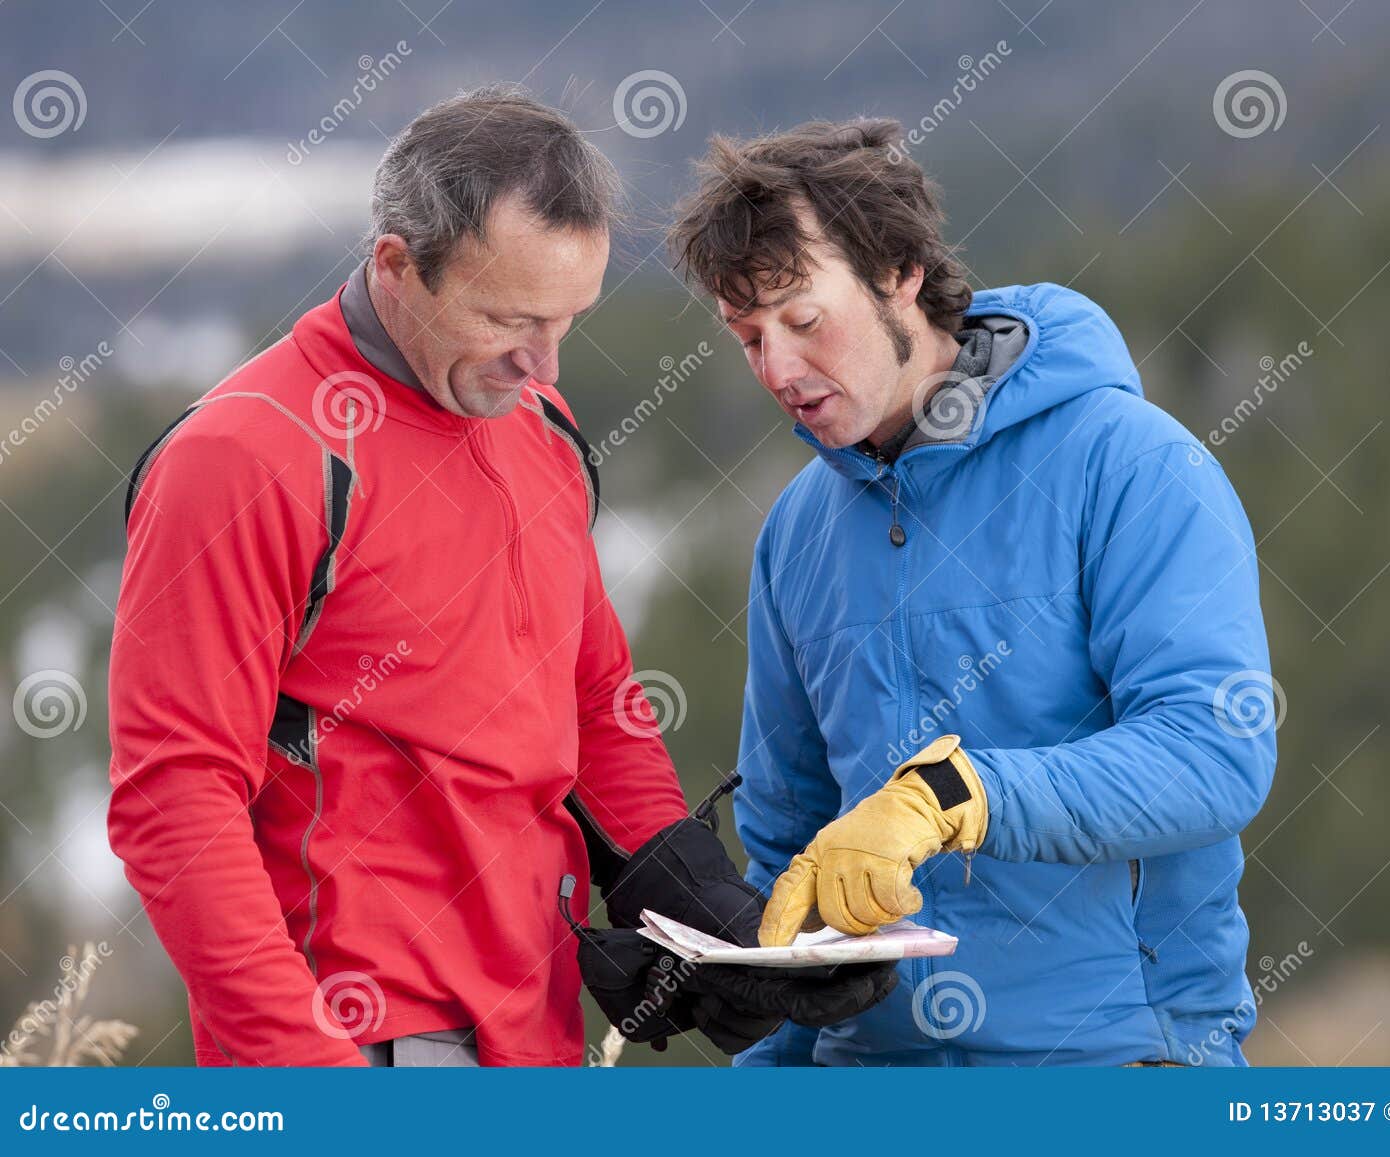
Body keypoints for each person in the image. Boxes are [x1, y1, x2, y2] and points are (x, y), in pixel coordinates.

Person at [105, 87, 893, 1068]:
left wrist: (698, 902)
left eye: (568, 318)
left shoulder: (540, 428)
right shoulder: (245, 457)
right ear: (397, 264)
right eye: (508, 318)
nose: (543, 360)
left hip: (535, 1028)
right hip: (367, 1036)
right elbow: (174, 798)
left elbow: (594, 696)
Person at [668, 118, 1277, 1066]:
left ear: (900, 270)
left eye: (802, 319)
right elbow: (788, 852)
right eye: (748, 336)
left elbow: (1213, 752)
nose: (777, 370)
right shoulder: (797, 532)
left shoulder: (1130, 463)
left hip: (1111, 1063)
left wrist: (961, 794)